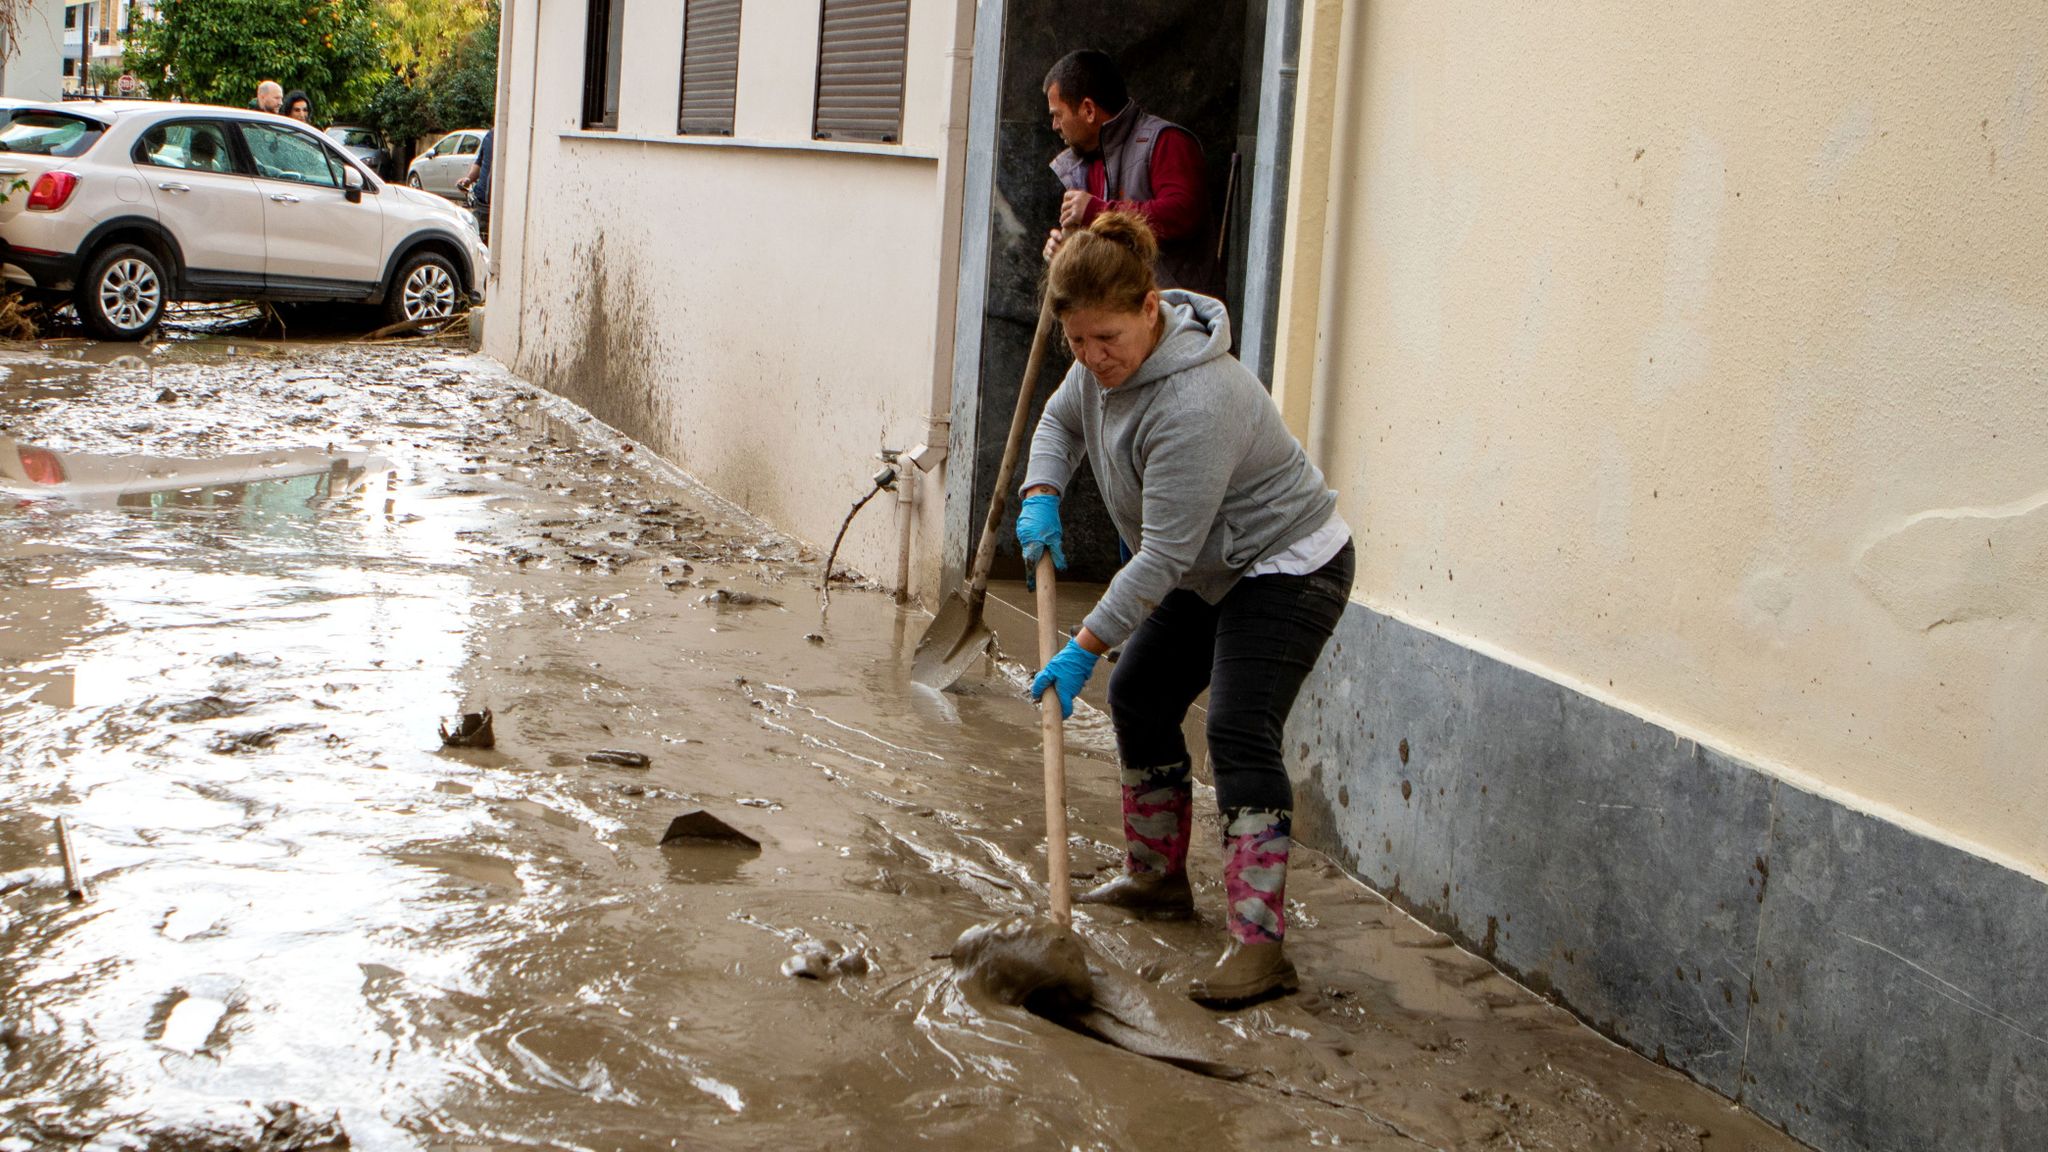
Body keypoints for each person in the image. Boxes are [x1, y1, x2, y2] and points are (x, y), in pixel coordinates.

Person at [1018, 212, 1353, 1008]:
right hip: (1208, 566)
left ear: (1149, 309)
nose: (1096, 359)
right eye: (1078, 343)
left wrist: (1084, 644)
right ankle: (1158, 879)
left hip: (1284, 564)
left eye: (1109, 339)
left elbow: (1162, 557)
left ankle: (1258, 944)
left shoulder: (1199, 400)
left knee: (1238, 725)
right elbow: (1063, 420)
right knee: (1140, 694)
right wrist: (1041, 490)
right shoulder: (1095, 366)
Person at [1040, 50, 1219, 297]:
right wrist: (1068, 254)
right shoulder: (1086, 164)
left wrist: (1098, 212)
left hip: (1174, 317)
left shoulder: (1167, 142)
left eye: (1057, 115)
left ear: (1089, 110)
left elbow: (1183, 213)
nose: (1054, 126)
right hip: (1115, 317)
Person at [455, 129, 493, 242]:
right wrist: (468, 179)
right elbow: (480, 162)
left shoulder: (510, 137)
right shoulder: (490, 136)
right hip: (481, 204)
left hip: (497, 209)